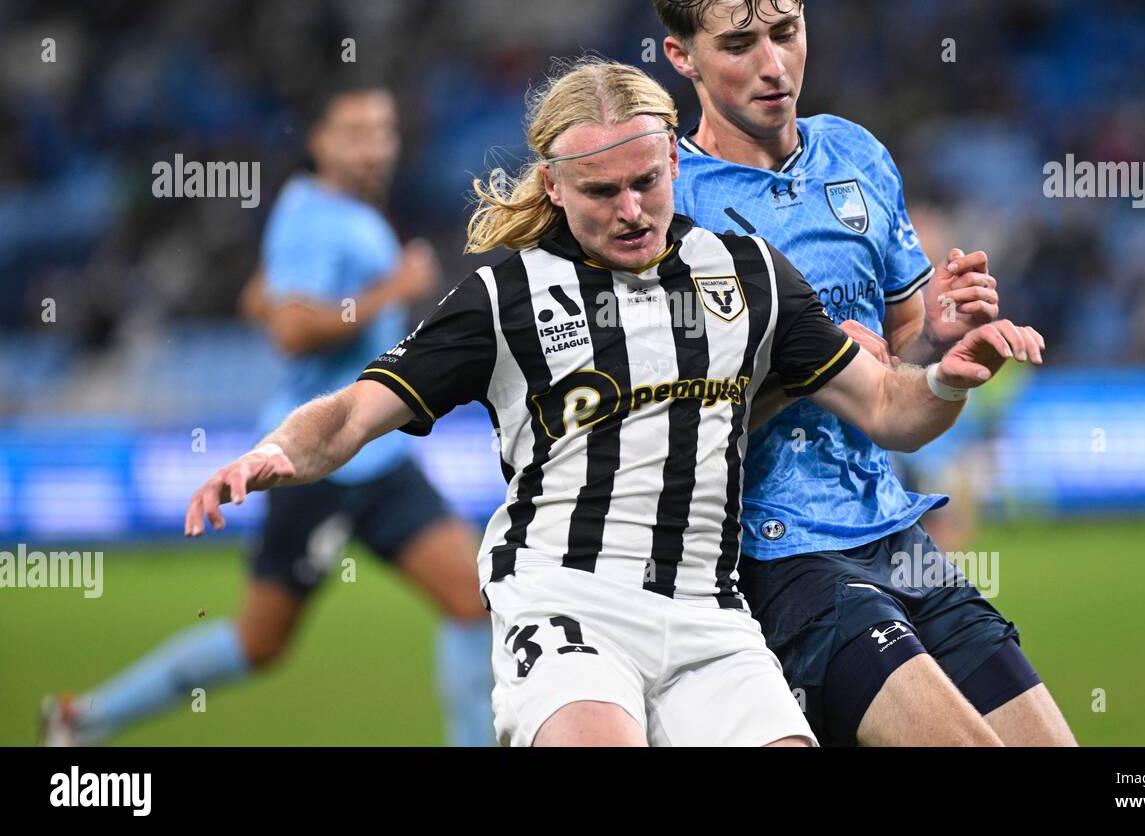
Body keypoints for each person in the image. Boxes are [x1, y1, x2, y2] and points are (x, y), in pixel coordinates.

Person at [182, 60, 1043, 747]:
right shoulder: (505, 296)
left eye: (646, 181)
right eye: (601, 192)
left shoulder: (748, 277)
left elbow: (889, 411)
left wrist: (943, 378)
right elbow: (354, 410)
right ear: (554, 186)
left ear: (673, 160)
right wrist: (278, 453)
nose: (632, 210)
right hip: (567, 606)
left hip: (711, 617)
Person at [643, 0, 1075, 745]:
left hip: (890, 525)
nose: (773, 66)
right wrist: (810, 367)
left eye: (786, 31)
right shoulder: (664, 201)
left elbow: (894, 340)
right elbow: (665, 428)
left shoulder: (856, 155)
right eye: (738, 45)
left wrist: (936, 338)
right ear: (680, 56)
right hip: (773, 554)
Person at [42, 81, 493, 747]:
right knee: (259, 643)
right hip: (317, 464)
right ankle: (84, 721)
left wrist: (340, 297)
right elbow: (290, 329)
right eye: (356, 132)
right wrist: (393, 289)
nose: (375, 147)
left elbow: (260, 298)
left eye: (384, 131)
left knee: (473, 600)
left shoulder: (323, 210)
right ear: (319, 142)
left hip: (377, 455)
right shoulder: (318, 219)